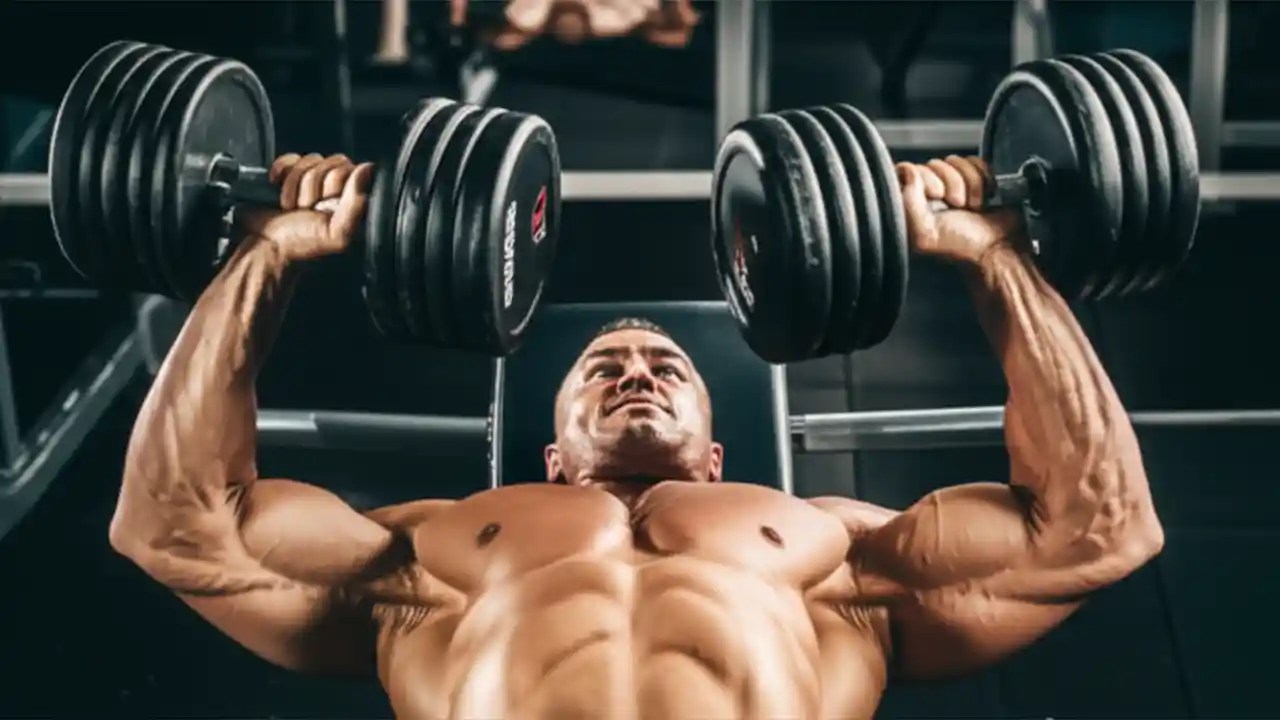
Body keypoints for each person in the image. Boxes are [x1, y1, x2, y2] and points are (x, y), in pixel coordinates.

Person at [108, 151, 1165, 719]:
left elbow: (1094, 531)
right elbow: (176, 529)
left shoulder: (826, 548)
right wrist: (266, 256)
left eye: (665, 367)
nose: (636, 372)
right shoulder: (432, 548)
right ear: (551, 458)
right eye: (601, 367)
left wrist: (992, 261)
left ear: (716, 457)